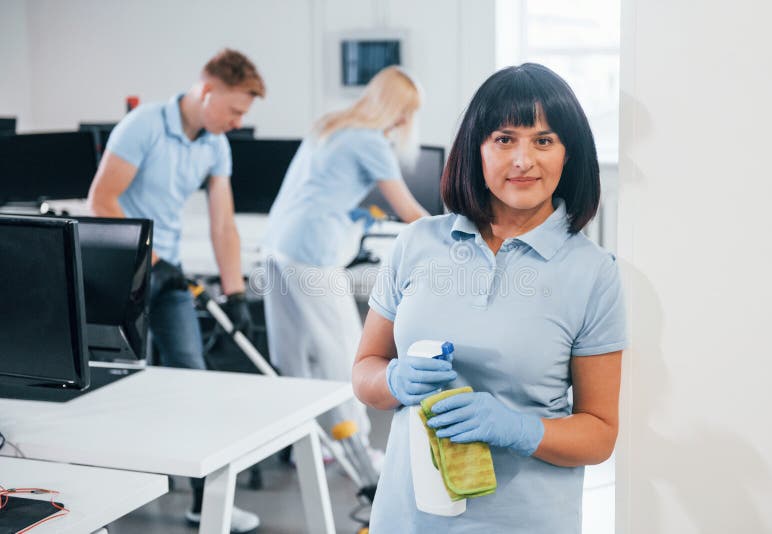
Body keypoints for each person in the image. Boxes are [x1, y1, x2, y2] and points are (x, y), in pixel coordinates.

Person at [352, 63, 627, 532]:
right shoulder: (416, 244)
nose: (523, 160)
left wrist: (520, 429)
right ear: (476, 150)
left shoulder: (594, 273)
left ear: (568, 155)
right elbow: (365, 371)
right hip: (406, 515)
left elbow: (599, 434)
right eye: (504, 139)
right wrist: (394, 381)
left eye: (544, 140)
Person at [87, 48, 265, 533]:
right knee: (121, 386)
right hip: (121, 272)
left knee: (194, 379)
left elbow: (223, 224)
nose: (237, 121)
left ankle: (204, 505)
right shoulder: (143, 125)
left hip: (167, 272)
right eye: (233, 110)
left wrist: (235, 294)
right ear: (207, 91)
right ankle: (97, 507)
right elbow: (101, 199)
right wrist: (151, 260)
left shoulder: (215, 144)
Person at [261, 66, 429, 462]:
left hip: (277, 245)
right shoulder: (370, 141)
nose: (406, 121)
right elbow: (408, 211)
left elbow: (317, 191)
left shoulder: (331, 125)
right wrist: (461, 234)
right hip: (311, 255)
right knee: (346, 354)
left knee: (294, 355)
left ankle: (311, 443)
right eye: (406, 110)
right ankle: (358, 451)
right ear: (393, 107)